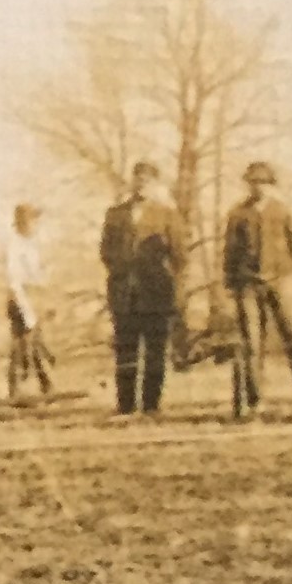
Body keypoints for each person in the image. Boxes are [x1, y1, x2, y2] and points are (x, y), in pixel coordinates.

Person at [223, 161, 292, 419]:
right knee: (251, 344)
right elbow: (229, 252)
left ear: (270, 184)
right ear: (248, 185)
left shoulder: (282, 211)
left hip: (280, 282)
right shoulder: (238, 214)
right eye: (253, 182)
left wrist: (285, 272)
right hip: (248, 284)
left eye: (262, 182)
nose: (258, 187)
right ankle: (254, 401)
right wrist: (233, 283)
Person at [99, 161, 186, 416]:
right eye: (138, 179)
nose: (141, 185)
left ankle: (151, 405)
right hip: (124, 293)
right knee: (126, 350)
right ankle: (125, 406)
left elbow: (180, 256)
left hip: (156, 293)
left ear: (155, 185)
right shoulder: (115, 214)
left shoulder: (167, 214)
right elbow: (105, 251)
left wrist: (167, 281)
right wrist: (121, 271)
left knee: (155, 350)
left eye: (147, 181)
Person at [3, 202, 57, 404]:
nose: (36, 225)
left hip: (32, 299)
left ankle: (46, 386)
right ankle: (16, 390)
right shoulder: (15, 246)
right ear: (23, 223)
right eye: (32, 220)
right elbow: (14, 280)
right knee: (21, 347)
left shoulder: (30, 245)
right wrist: (26, 311)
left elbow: (36, 275)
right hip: (20, 300)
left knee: (35, 344)